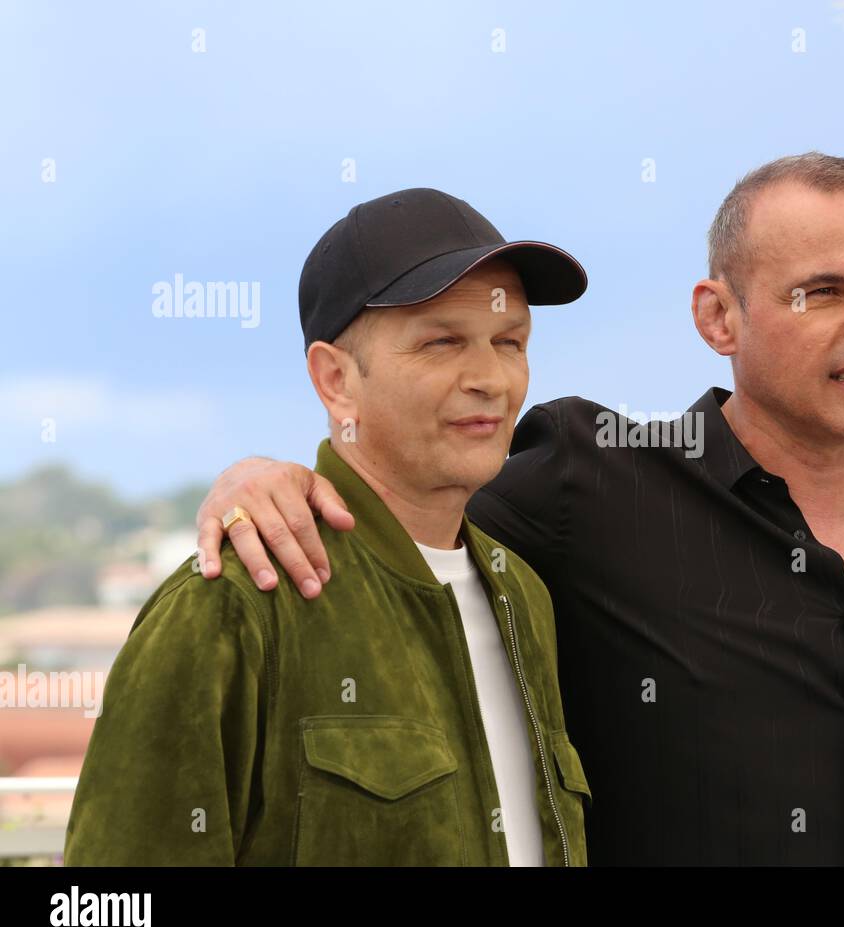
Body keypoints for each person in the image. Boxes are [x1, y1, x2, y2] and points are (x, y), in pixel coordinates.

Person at [194, 153, 844, 866]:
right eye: (823, 292)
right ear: (718, 317)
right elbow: (406, 490)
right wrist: (262, 476)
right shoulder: (593, 486)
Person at [65, 188, 593, 865]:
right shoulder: (231, 601)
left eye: (510, 341)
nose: (490, 378)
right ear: (335, 380)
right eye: (441, 342)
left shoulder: (523, 594)